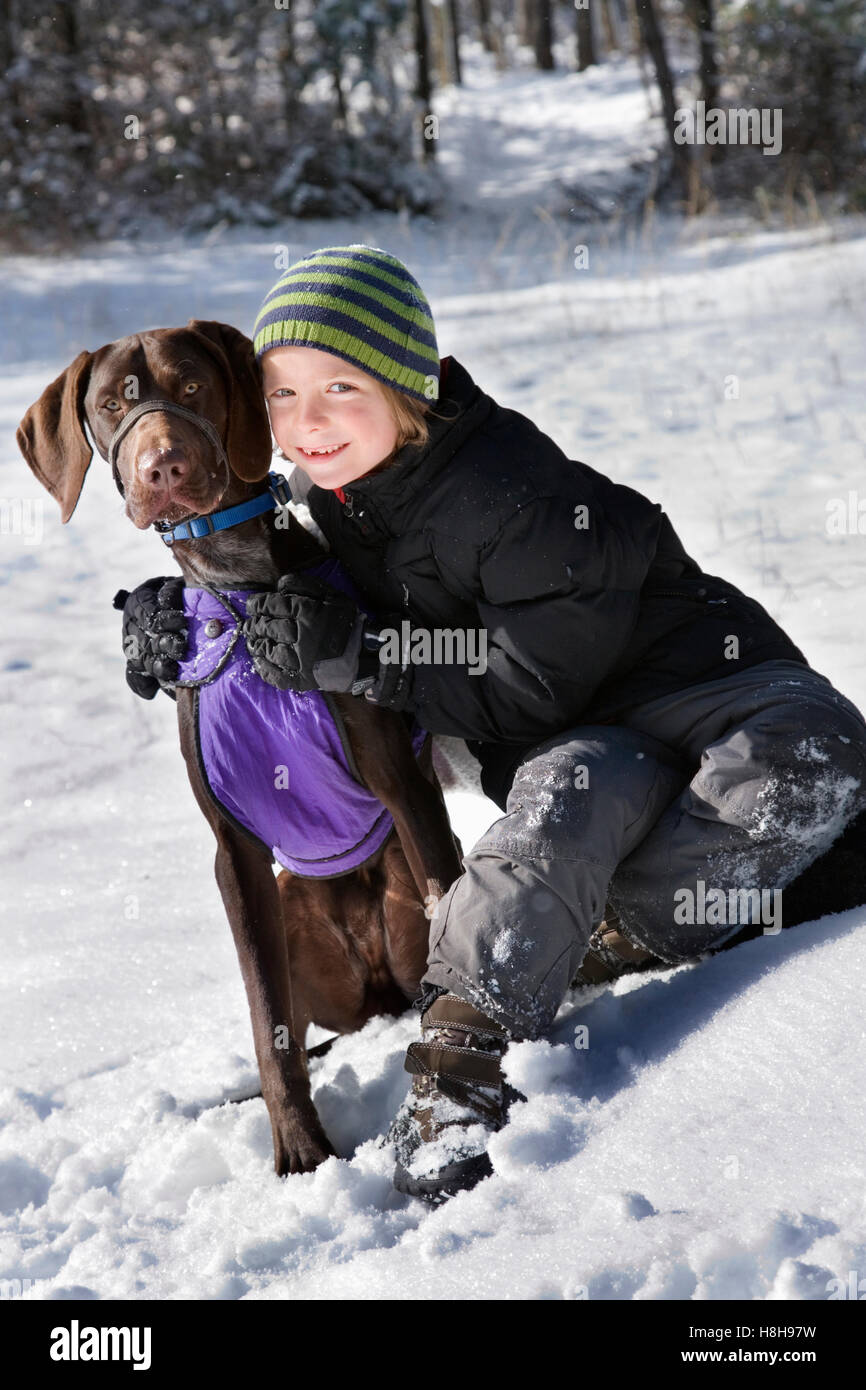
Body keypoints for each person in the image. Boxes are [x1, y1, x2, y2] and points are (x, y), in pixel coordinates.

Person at [122, 245, 866, 1203]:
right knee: (560, 810)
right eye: (280, 396)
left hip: (712, 689)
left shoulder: (512, 489)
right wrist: (173, 612)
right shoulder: (327, 498)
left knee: (805, 757)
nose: (307, 423)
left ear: (411, 384)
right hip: (585, 750)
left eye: (340, 386)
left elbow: (535, 683)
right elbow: (264, 572)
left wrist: (367, 655)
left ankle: (632, 925)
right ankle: (460, 1065)